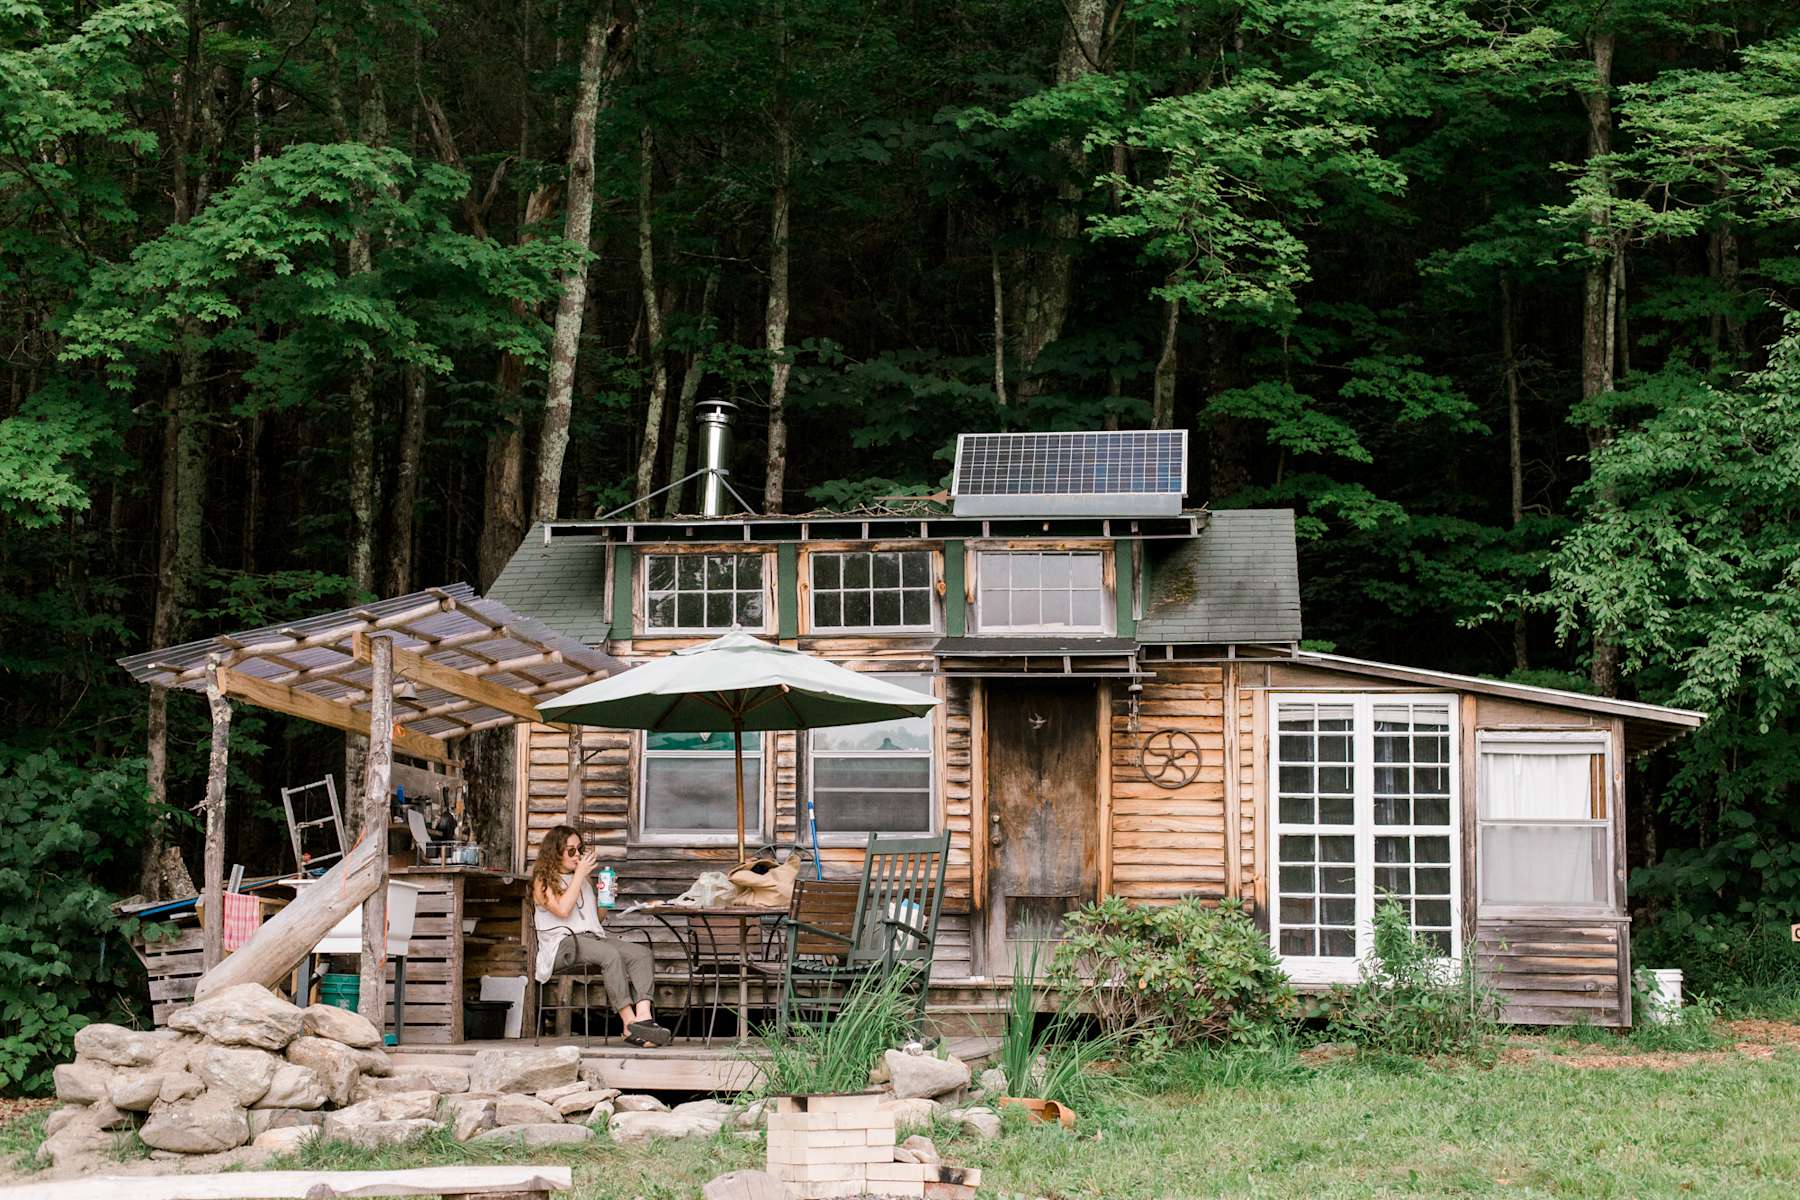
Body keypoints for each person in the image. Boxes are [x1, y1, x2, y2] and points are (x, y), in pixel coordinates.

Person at [531, 825, 670, 1047]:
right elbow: (563, 910)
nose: (577, 855)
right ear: (555, 852)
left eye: (580, 849)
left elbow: (595, 919)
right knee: (610, 954)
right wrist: (579, 876)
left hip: (590, 939)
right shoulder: (543, 880)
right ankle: (628, 1025)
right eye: (570, 851)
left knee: (641, 954)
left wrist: (607, 899)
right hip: (561, 945)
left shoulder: (582, 880)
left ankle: (644, 1019)